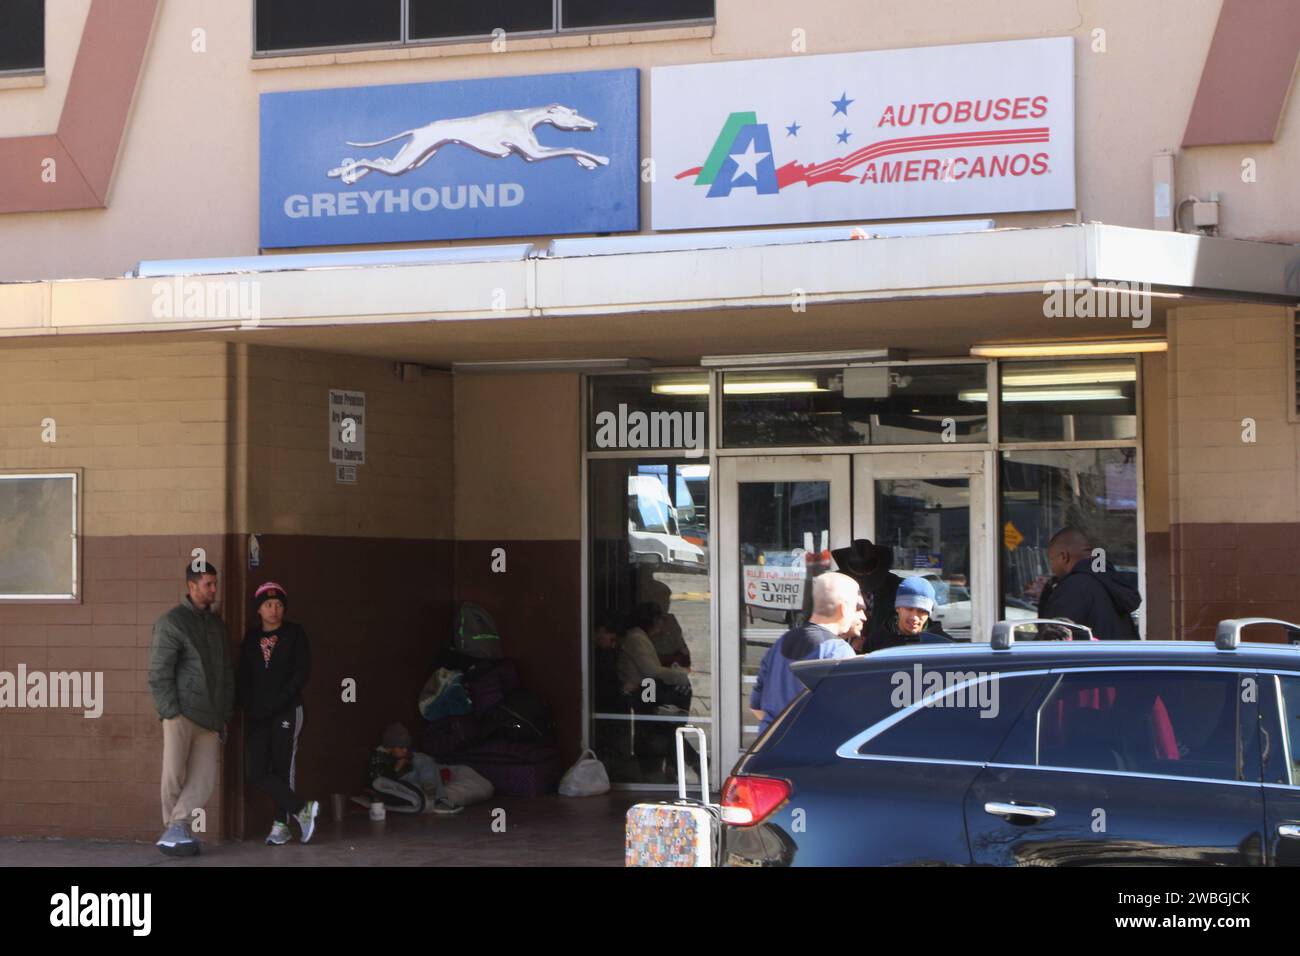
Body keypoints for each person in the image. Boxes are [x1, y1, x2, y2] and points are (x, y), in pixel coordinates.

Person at [147, 560, 236, 857]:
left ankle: (177, 826)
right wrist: (170, 710)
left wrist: (224, 715)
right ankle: (176, 830)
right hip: (181, 713)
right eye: (208, 584)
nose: (214, 589)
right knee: (173, 774)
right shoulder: (172, 622)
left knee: (205, 779)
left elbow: (226, 674)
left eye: (215, 583)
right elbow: (159, 671)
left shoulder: (216, 625)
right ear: (191, 586)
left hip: (211, 717)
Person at [236, 582, 319, 846]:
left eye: (280, 605)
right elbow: (243, 678)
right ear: (259, 610)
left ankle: (281, 825)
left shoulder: (295, 633)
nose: (274, 610)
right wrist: (249, 706)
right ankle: (301, 809)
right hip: (258, 714)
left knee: (283, 767)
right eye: (269, 605)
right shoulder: (250, 639)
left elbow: (301, 673)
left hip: (287, 710)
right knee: (257, 770)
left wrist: (277, 702)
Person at [750, 572, 861, 735]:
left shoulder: (781, 642)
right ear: (843, 609)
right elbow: (849, 715)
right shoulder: (838, 651)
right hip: (813, 753)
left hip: (769, 748)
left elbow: (756, 707)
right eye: (854, 608)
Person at [1038, 527, 1141, 639]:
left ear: (1064, 556)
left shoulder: (1074, 587)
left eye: (1052, 560)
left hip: (1091, 656)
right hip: (1123, 656)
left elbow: (1053, 639)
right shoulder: (1109, 580)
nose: (1052, 568)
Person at [368, 723, 461, 815]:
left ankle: (437, 795)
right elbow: (379, 781)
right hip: (400, 782)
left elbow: (420, 762)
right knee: (421, 760)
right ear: (389, 747)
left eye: (406, 747)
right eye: (401, 747)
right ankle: (436, 799)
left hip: (415, 780)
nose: (405, 750)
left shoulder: (404, 754)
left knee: (423, 758)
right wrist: (396, 769)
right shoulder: (378, 757)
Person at [616, 602, 693, 710]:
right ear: (653, 620)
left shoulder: (639, 637)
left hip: (645, 693)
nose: (662, 623)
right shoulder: (636, 638)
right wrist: (682, 675)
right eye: (660, 619)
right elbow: (651, 671)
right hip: (640, 695)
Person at [831, 539, 905, 650]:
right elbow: (826, 622)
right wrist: (847, 642)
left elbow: (902, 621)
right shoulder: (835, 584)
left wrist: (873, 641)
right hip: (844, 654)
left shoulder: (896, 586)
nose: (864, 579)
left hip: (886, 652)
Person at [865, 576, 956, 652]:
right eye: (909, 609)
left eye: (921, 611)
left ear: (929, 613)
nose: (914, 617)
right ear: (897, 608)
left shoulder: (944, 644)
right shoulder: (876, 642)